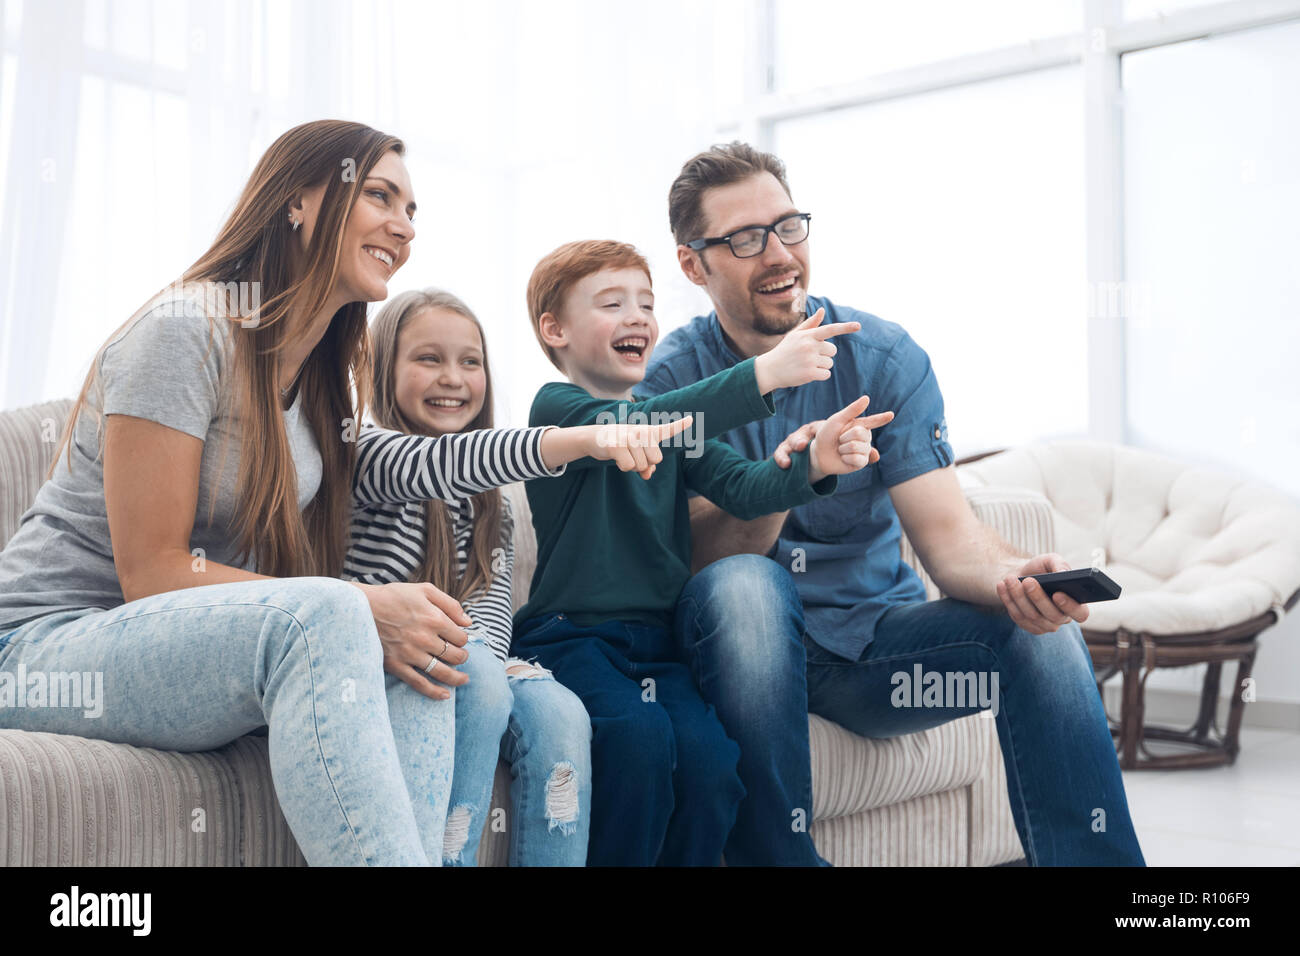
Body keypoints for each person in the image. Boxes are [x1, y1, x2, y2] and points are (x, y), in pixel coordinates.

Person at [0, 120, 681, 866]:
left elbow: (436, 461)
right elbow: (154, 575)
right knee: (339, 608)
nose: (403, 225)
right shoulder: (184, 331)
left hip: (180, 654)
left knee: (421, 651)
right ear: (298, 202)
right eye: (380, 195)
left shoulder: (312, 389)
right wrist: (359, 605)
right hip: (45, 649)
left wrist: (585, 440)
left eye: (412, 210)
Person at [638, 141, 1146, 867]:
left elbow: (951, 543)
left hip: (870, 657)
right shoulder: (673, 383)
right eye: (746, 239)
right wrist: (786, 482)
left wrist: (1017, 578)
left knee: (1042, 633)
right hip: (735, 657)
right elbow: (692, 567)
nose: (779, 253)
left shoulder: (880, 357)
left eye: (789, 226)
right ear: (695, 264)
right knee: (748, 586)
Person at [512, 238, 889, 865]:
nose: (638, 317)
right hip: (570, 639)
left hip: (657, 648)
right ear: (555, 331)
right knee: (638, 745)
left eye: (646, 303)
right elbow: (635, 428)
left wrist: (813, 462)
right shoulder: (558, 411)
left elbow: (747, 489)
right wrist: (764, 373)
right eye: (612, 303)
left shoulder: (675, 426)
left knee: (713, 765)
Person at [344, 288, 595, 865]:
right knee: (476, 676)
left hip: (469, 649)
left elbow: (490, 604)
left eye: (470, 361)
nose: (452, 378)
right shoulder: (363, 453)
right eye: (428, 359)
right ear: (383, 368)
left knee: (561, 712)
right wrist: (579, 441)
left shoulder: (491, 505)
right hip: (374, 655)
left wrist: (482, 648)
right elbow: (435, 466)